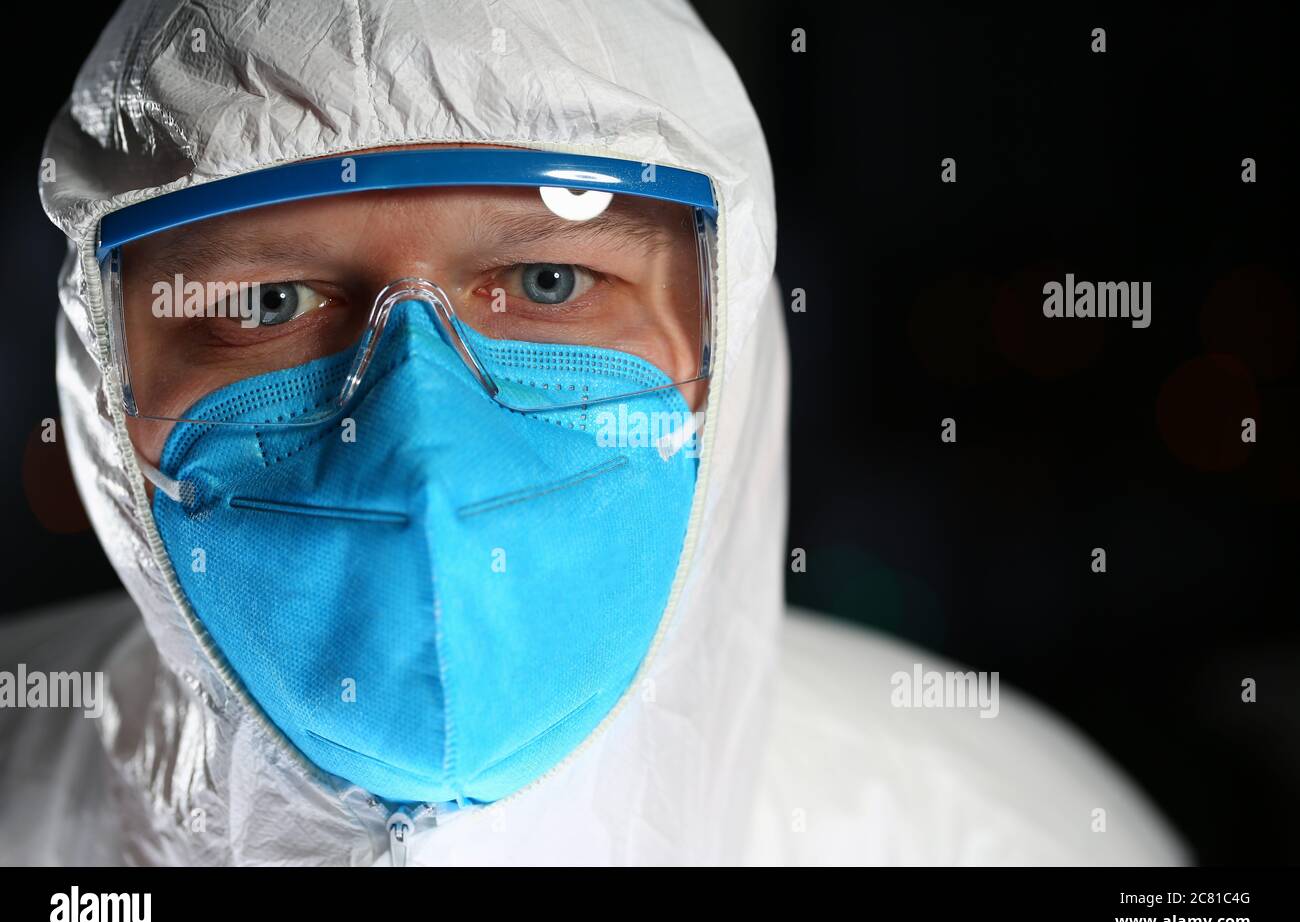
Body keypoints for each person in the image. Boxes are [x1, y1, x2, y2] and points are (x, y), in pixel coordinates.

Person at [0, 0, 1188, 866]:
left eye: (551, 284)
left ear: (725, 333)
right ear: (102, 372)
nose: (419, 445)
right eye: (267, 301)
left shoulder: (1002, 831)